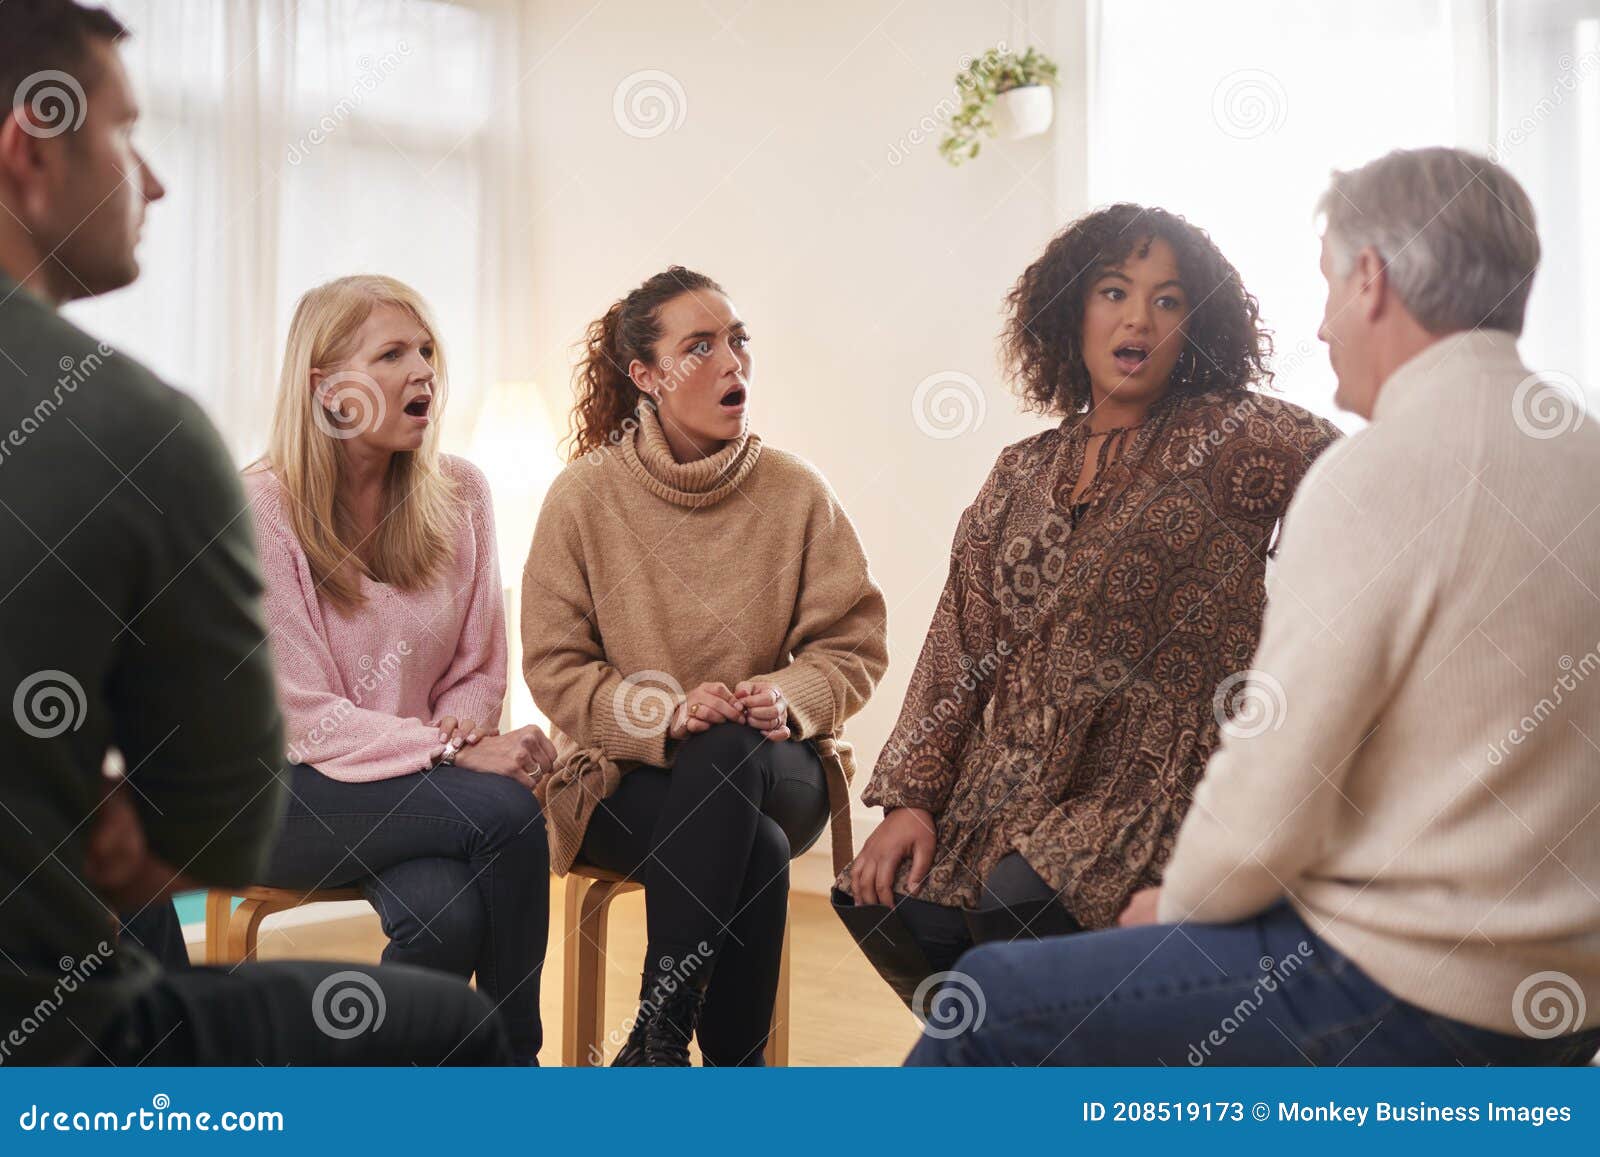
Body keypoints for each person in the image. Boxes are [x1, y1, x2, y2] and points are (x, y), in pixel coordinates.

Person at [908, 147, 1600, 1067]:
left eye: (1326, 288)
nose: (1320, 330)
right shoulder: (1580, 451)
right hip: (1558, 986)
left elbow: (1278, 776)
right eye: (1114, 292)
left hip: (1407, 985)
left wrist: (1183, 902)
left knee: (989, 1005)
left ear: (1373, 278)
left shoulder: (1365, 470)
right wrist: (915, 792)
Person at [0, 0, 507, 1064]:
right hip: (52, 1044)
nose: (156, 181)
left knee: (449, 894)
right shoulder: (137, 432)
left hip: (383, 801)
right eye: (127, 134)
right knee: (464, 1000)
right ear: (29, 146)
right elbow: (219, 822)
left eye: (426, 353)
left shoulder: (457, 493)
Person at [834, 204, 1339, 1010]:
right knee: (883, 900)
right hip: (1006, 780)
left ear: (1195, 324)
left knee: (1016, 911)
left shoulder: (1244, 436)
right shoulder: (1019, 471)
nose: (1139, 316)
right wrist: (911, 799)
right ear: (1072, 311)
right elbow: (958, 645)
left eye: (1169, 300)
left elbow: (1374, 485)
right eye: (1114, 291)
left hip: (1156, 781)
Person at [522, 266, 888, 1065]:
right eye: (700, 347)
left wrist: (782, 697)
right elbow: (555, 667)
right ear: (646, 377)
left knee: (729, 755)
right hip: (627, 781)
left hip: (775, 763)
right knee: (746, 844)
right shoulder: (582, 498)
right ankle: (728, 1080)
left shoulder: (795, 492)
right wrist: (666, 711)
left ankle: (656, 1038)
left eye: (738, 340)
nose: (733, 363)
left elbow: (853, 646)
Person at [246, 274, 557, 1066]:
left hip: (407, 787)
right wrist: (451, 753)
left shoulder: (461, 494)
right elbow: (304, 717)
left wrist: (459, 725)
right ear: (328, 390)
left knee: (447, 915)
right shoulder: (261, 509)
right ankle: (513, 1063)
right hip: (283, 792)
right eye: (392, 354)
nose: (423, 371)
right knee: (511, 813)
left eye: (426, 351)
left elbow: (478, 665)